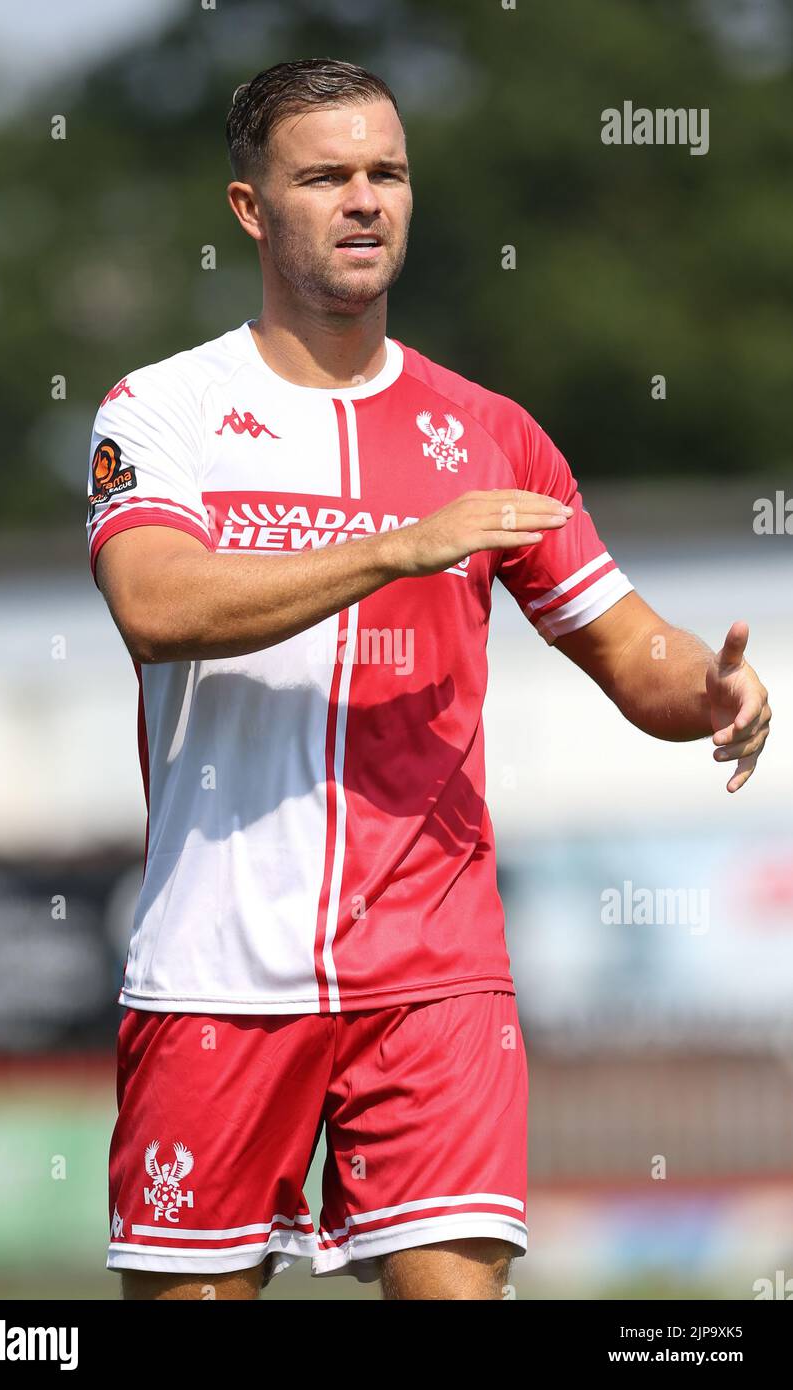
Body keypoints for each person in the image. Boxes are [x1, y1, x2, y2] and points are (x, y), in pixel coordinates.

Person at [87, 59, 771, 1301]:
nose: (364, 201)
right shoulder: (162, 409)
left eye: (385, 174)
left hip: (436, 973)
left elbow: (633, 649)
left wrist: (710, 691)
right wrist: (395, 546)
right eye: (326, 177)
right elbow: (153, 605)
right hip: (213, 972)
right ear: (249, 208)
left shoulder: (489, 431)